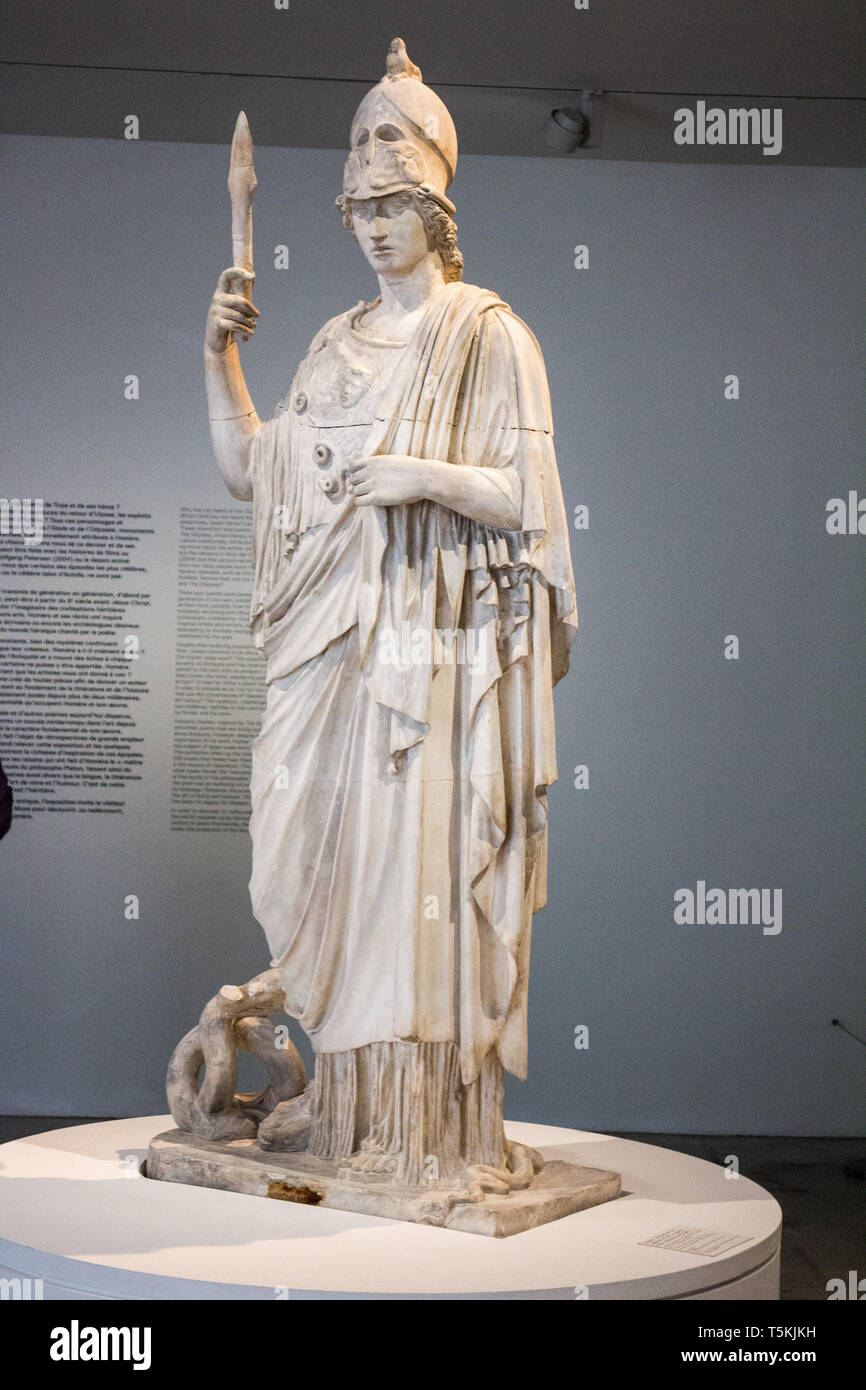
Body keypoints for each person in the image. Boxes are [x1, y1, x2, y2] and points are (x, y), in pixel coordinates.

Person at [203, 39, 577, 1187]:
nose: (372, 224)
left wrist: (420, 475)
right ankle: (344, 1116)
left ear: (435, 203)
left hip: (432, 665)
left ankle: (415, 1130)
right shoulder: (324, 346)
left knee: (416, 888)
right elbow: (251, 473)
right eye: (358, 205)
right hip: (327, 660)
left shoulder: (489, 337)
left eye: (394, 201)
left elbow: (528, 503)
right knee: (298, 850)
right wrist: (217, 358)